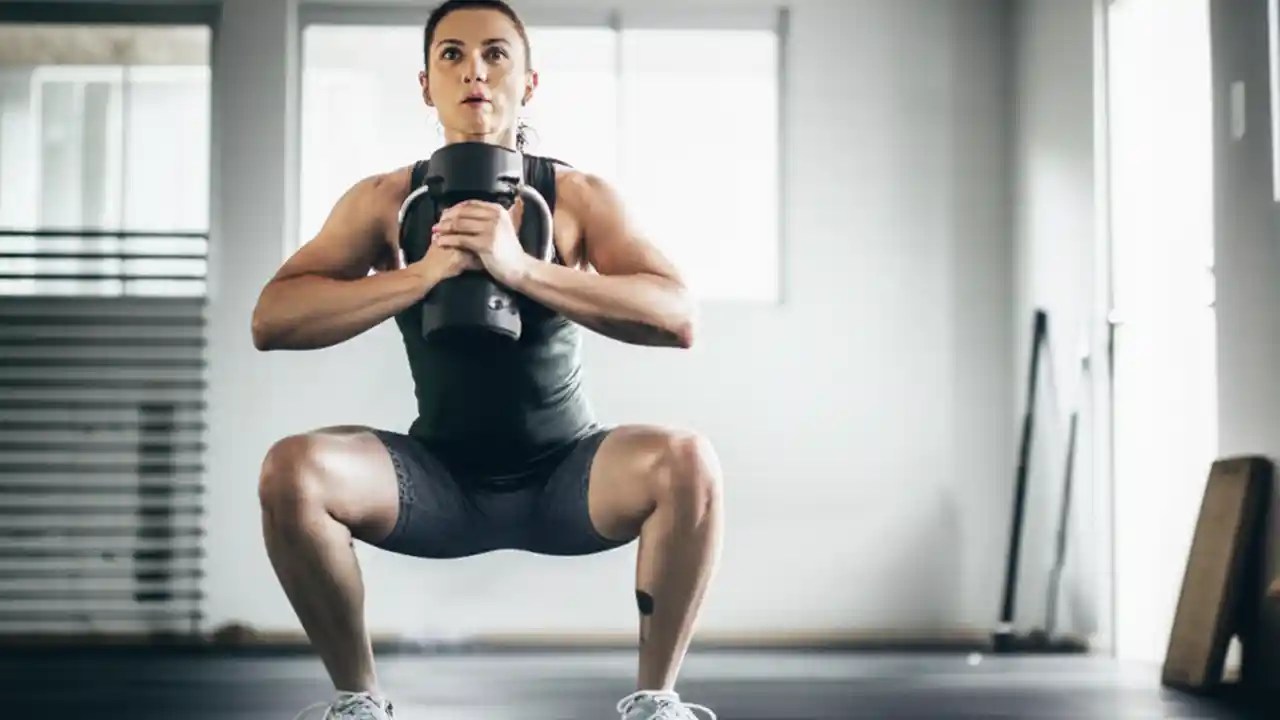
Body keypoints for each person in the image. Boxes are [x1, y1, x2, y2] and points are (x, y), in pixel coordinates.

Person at [250, 1, 725, 718]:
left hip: (568, 479)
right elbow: (272, 318)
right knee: (292, 468)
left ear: (528, 83)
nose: (474, 69)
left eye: (496, 54)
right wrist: (422, 274)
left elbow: (678, 316)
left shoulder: (577, 197)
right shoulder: (385, 202)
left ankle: (656, 702)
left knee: (688, 459)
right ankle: (359, 702)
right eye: (452, 54)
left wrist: (520, 267)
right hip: (437, 483)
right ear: (425, 85)